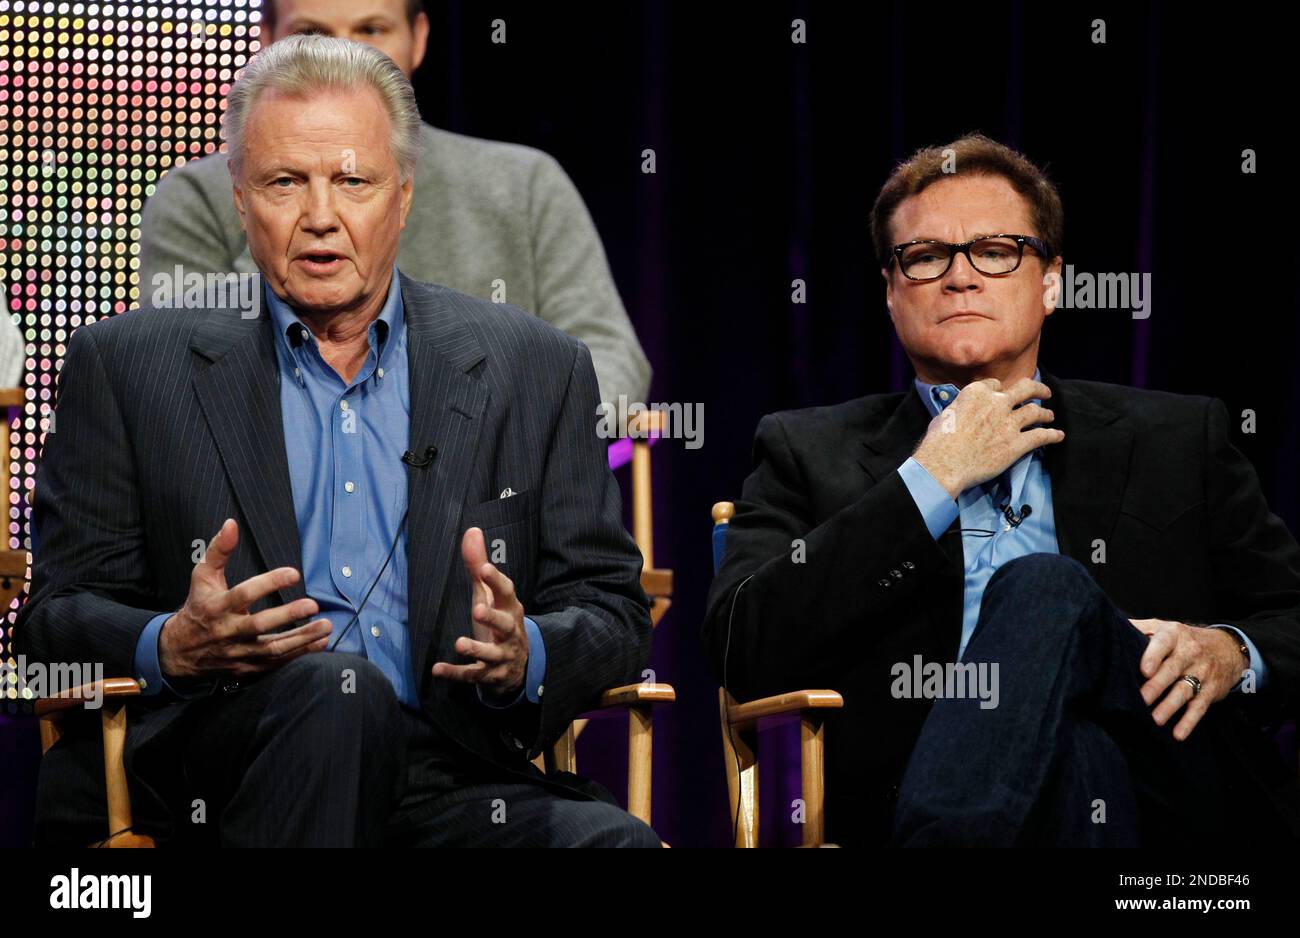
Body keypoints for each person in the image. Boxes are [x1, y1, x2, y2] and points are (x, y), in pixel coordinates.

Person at [18, 35, 659, 848]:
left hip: (449, 772)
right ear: (242, 200)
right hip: (219, 771)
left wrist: (525, 651)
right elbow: (51, 620)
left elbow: (610, 606)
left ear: (403, 194)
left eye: (352, 181)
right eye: (286, 182)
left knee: (615, 844)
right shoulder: (129, 366)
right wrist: (170, 644)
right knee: (338, 692)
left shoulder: (534, 367)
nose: (320, 216)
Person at [703, 132, 1300, 847]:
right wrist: (931, 478)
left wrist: (1232, 651)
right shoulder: (805, 450)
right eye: (924, 257)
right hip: (955, 794)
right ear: (891, 293)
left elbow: (1288, 614)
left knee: (1045, 588)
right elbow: (743, 646)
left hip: (1166, 792)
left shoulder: (1175, 436)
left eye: (995, 251)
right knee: (1077, 754)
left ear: (1051, 282)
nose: (960, 277)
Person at [138, 0, 651, 409]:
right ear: (267, 38)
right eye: (312, 34)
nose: (344, 54)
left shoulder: (524, 185)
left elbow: (609, 366)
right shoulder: (198, 196)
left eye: (371, 31)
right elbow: (184, 381)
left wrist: (482, 443)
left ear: (419, 37)